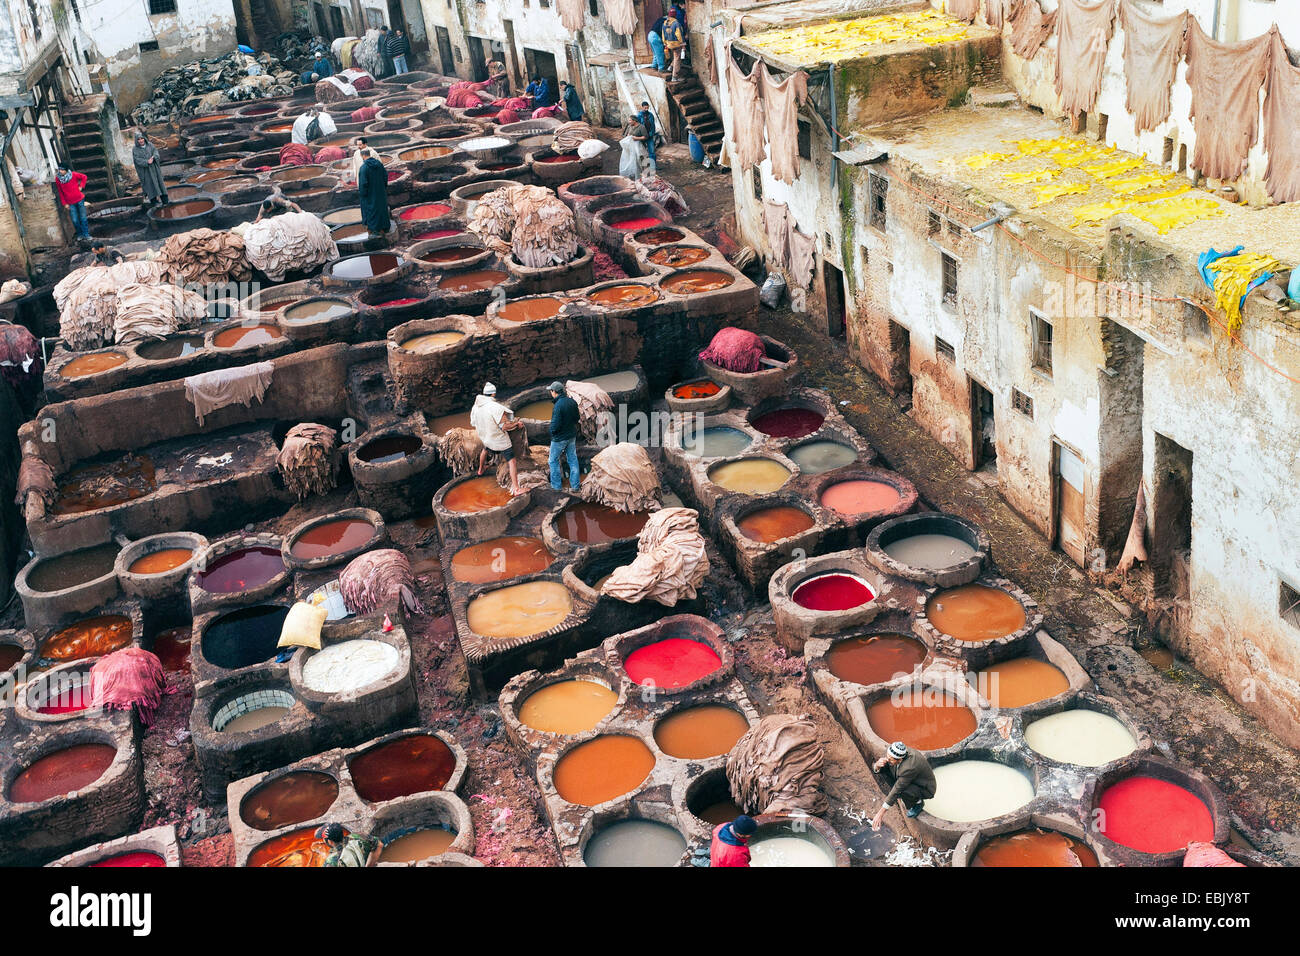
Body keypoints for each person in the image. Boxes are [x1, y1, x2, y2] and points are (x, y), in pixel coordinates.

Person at [870, 741, 937, 829]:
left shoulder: (909, 767)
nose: (887, 759)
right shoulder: (892, 752)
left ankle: (918, 803)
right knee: (884, 766)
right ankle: (903, 795)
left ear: (900, 760)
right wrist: (877, 766)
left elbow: (898, 789)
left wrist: (880, 814)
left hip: (924, 788)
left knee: (902, 790)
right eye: (887, 756)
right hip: (908, 778)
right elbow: (881, 765)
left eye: (891, 759)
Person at [471, 382, 520, 495]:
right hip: (499, 440)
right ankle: (517, 489)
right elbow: (505, 426)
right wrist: (516, 424)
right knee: (512, 461)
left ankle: (480, 470)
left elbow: (473, 422)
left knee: (485, 450)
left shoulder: (476, 406)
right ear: (493, 394)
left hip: (487, 437)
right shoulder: (496, 407)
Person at [547, 380, 580, 492]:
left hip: (559, 438)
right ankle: (575, 486)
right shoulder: (572, 402)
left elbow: (554, 425)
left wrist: (552, 433)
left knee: (553, 460)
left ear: (554, 392)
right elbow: (577, 419)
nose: (550, 393)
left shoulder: (558, 406)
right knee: (572, 459)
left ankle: (556, 487)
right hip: (571, 435)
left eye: (551, 391)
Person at [357, 145, 391, 235]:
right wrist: (383, 187)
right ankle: (385, 227)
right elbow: (385, 176)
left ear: (363, 156)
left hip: (370, 195)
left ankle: (375, 230)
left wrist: (363, 194)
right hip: (380, 192)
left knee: (372, 211)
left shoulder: (364, 168)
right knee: (382, 209)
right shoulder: (379, 164)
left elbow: (363, 184)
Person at [316, 823, 382, 867]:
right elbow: (379, 844)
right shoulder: (358, 836)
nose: (323, 840)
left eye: (323, 838)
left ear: (330, 841)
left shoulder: (331, 861)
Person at [54, 165, 90, 241]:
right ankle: (80, 235)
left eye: (62, 170)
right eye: (59, 169)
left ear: (66, 170)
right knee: (75, 220)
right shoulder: (58, 179)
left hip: (80, 199)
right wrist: (65, 204)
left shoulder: (73, 174)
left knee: (83, 218)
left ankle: (86, 235)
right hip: (70, 203)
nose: (60, 171)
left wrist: (81, 186)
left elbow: (84, 177)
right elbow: (60, 192)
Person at [131, 131, 167, 206]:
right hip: (146, 171)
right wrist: (146, 162)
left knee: (160, 183)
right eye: (139, 139)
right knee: (149, 185)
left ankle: (165, 200)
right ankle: (154, 202)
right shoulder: (135, 149)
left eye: (142, 138)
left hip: (154, 169)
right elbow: (137, 160)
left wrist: (153, 157)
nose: (141, 140)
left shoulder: (150, 145)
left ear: (144, 138)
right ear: (136, 141)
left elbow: (155, 152)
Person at [620, 112, 651, 180]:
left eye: (630, 120)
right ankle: (636, 174)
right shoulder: (630, 126)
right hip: (632, 147)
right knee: (633, 160)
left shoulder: (641, 127)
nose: (629, 121)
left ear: (635, 121)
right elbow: (628, 134)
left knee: (642, 160)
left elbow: (646, 137)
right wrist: (628, 137)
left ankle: (646, 175)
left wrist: (636, 138)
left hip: (640, 147)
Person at [661, 12, 687, 82]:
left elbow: (663, 35)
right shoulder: (676, 23)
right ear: (675, 15)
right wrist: (683, 44)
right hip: (676, 44)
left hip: (669, 44)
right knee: (677, 59)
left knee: (676, 56)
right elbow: (679, 35)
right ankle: (675, 77)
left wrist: (665, 43)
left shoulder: (664, 23)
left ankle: (670, 67)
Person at [637, 100, 658, 173]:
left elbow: (653, 125)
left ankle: (653, 167)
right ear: (642, 107)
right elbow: (638, 126)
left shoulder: (650, 115)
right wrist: (640, 136)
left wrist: (652, 133)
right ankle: (644, 167)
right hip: (642, 136)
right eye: (645, 108)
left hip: (650, 135)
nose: (646, 109)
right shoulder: (639, 115)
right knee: (642, 152)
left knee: (651, 151)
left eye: (647, 108)